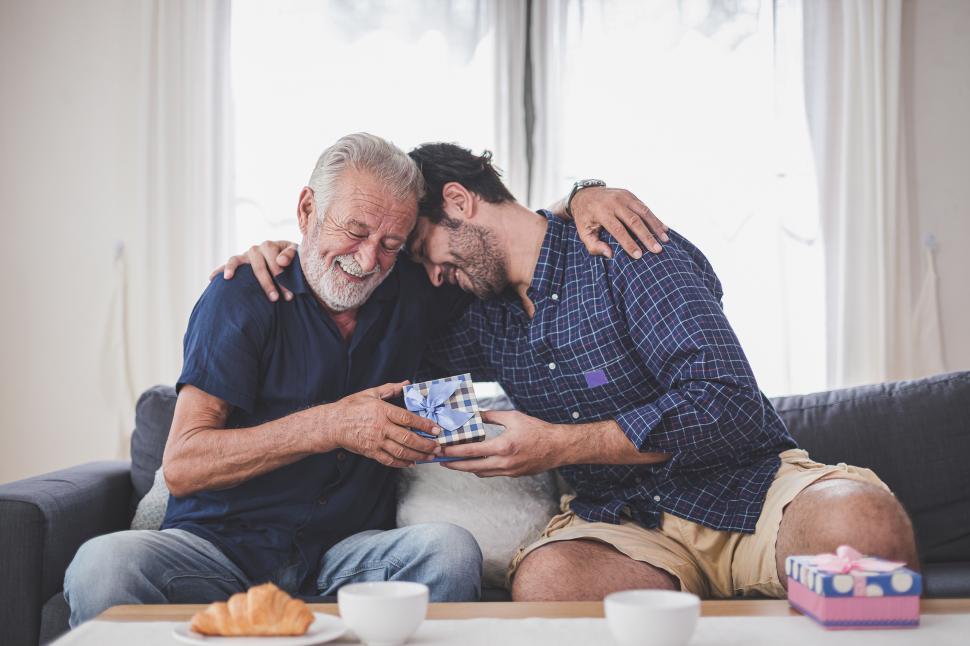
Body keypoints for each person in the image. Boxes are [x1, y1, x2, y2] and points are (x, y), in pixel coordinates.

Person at [239, 142, 919, 602]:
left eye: (424, 249)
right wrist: (290, 257)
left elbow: (727, 403)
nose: (430, 274)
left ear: (461, 200)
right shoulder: (478, 318)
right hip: (621, 530)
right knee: (548, 586)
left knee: (862, 527)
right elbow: (359, 310)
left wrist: (559, 443)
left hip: (746, 490)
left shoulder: (620, 247)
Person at [63, 133, 668, 626]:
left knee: (448, 550)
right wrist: (331, 424)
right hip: (218, 551)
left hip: (344, 559)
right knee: (102, 567)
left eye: (391, 243)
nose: (367, 259)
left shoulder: (410, 291)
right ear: (307, 211)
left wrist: (581, 197)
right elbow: (185, 464)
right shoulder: (243, 296)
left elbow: (497, 239)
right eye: (353, 231)